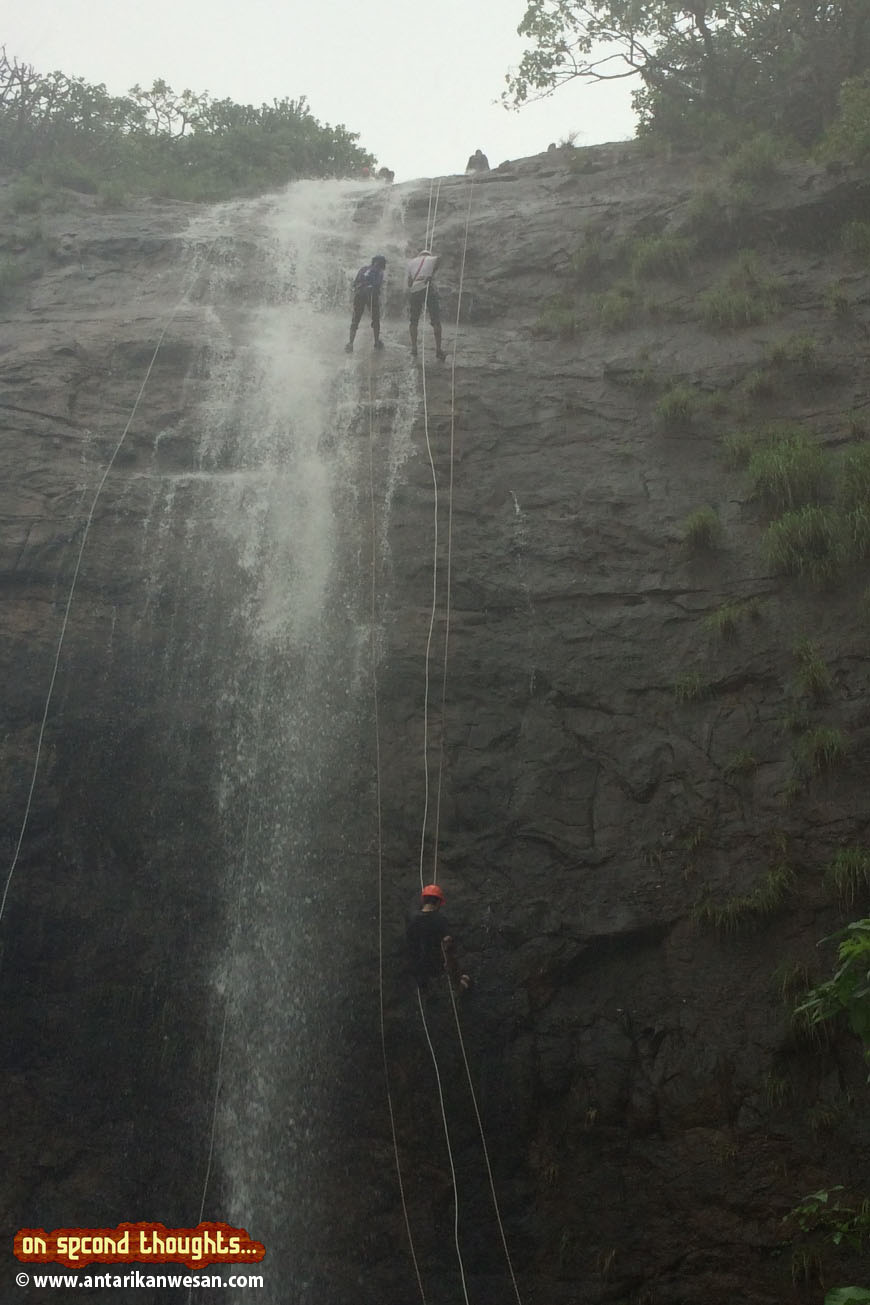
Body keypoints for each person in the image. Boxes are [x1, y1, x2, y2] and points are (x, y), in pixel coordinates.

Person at [406, 883, 471, 993]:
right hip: (436, 968)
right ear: (439, 902)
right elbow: (447, 943)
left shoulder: (412, 919)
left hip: (416, 968)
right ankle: (458, 987)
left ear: (423, 900)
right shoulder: (440, 920)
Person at [406, 249, 446, 362]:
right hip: (428, 288)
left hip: (415, 289)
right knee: (436, 320)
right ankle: (438, 349)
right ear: (428, 254)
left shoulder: (411, 262)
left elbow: (409, 283)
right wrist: (431, 274)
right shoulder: (431, 258)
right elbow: (441, 259)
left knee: (413, 321)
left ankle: (414, 348)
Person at [346, 254, 386, 353]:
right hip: (371, 296)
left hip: (359, 294)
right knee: (375, 318)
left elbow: (355, 283)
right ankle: (376, 342)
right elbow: (377, 284)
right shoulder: (380, 271)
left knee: (355, 318)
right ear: (382, 264)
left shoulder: (363, 269)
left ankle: (350, 343)